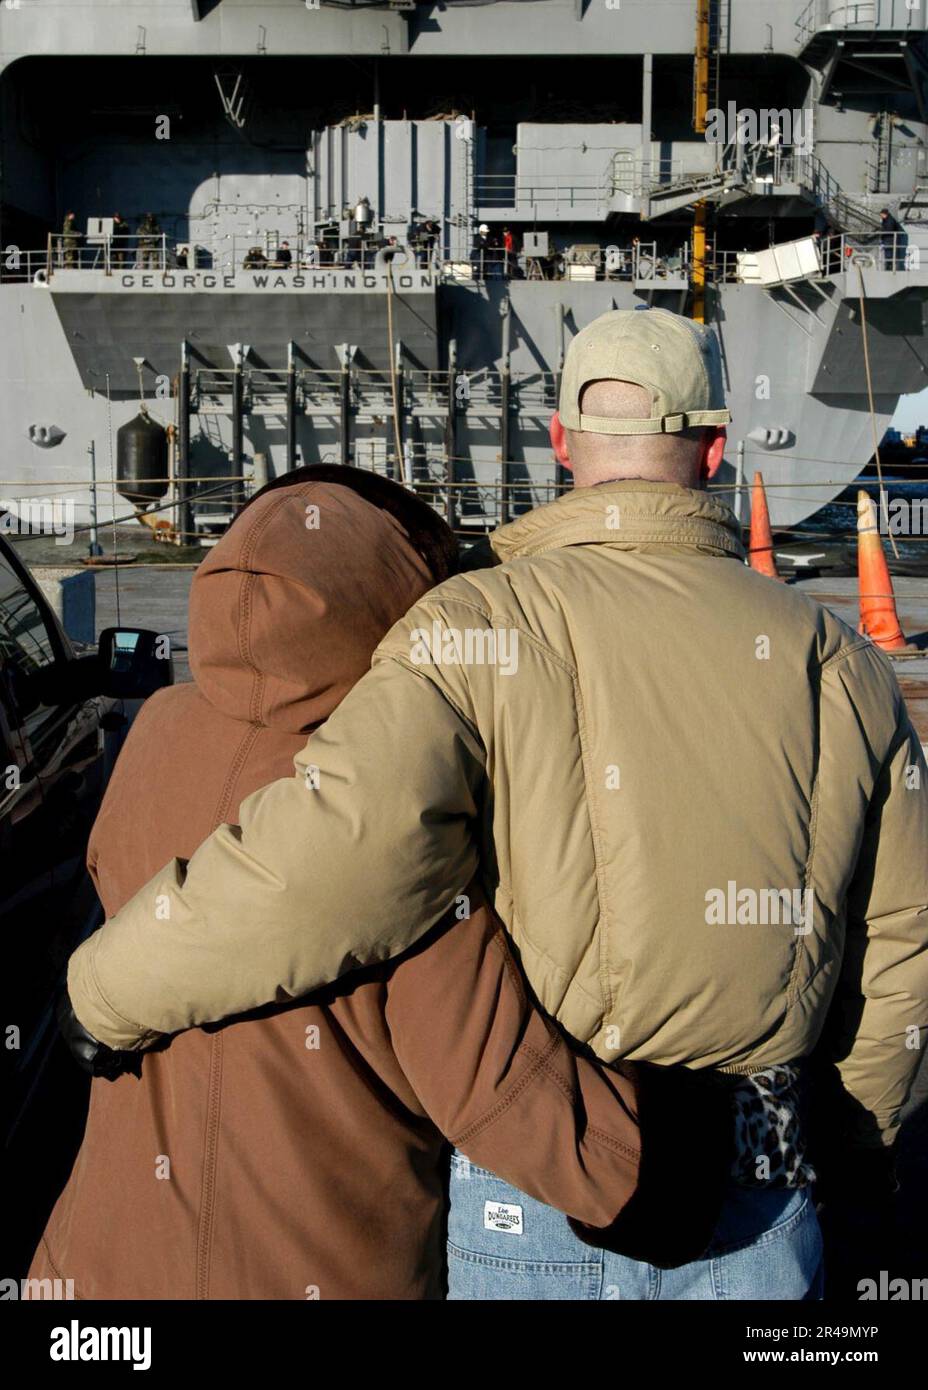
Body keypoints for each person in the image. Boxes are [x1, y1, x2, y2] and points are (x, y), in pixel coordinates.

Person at [64, 309, 928, 1299]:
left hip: (536, 1193)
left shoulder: (471, 624)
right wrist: (853, 1143)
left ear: (558, 441)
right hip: (762, 1186)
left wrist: (104, 990)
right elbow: (902, 936)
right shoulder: (839, 663)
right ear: (718, 447)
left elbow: (337, 854)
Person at [34, 465, 725, 1299]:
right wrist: (654, 1172)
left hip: (95, 1268)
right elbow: (495, 1076)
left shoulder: (152, 736)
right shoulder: (396, 811)